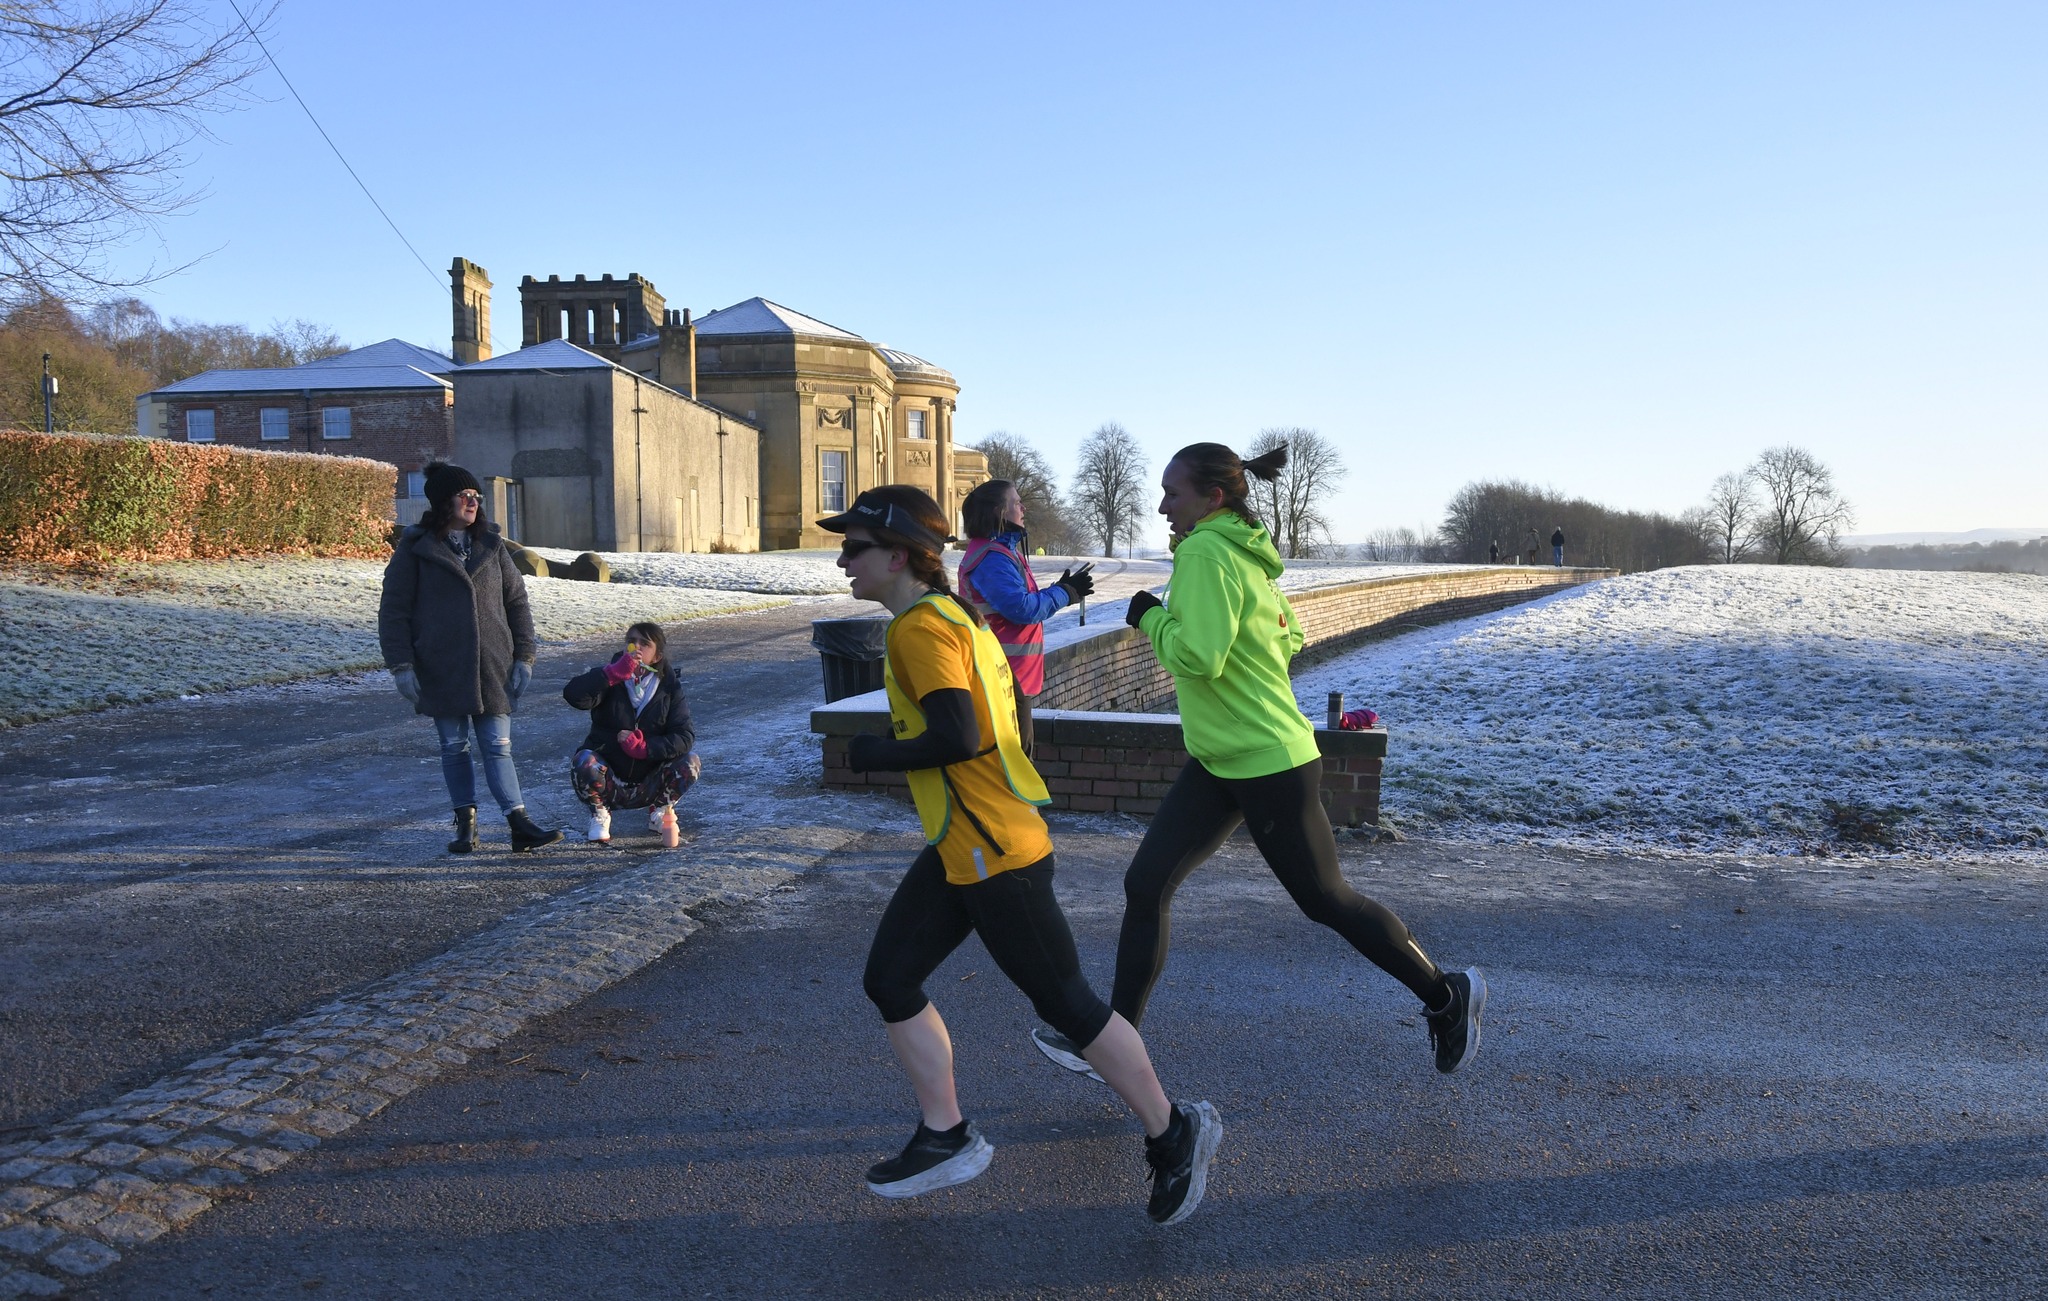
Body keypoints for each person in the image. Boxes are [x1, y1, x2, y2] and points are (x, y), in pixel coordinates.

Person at [824, 485, 1221, 1226]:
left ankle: (1173, 1132)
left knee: (1069, 1004)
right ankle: (945, 1134)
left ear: (900, 555)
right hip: (968, 843)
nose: (843, 560)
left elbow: (961, 734)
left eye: (854, 547)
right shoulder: (954, 614)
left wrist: (875, 752)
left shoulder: (922, 628)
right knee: (891, 977)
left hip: (994, 852)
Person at [1028, 442, 1486, 1084]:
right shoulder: (1246, 553)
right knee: (1146, 885)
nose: (1162, 506)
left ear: (1212, 497)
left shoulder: (1204, 553)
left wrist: (1151, 618)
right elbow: (1289, 633)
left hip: (1266, 761)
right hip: (1223, 757)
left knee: (1326, 900)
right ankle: (1114, 1047)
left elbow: (1199, 657)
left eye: (1172, 493)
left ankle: (1445, 994)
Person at [378, 462, 562, 854]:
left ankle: (519, 824)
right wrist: (401, 665)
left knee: (498, 745)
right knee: (453, 746)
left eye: (476, 495)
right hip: (441, 666)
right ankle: (466, 826)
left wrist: (525, 655)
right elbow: (393, 611)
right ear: (444, 502)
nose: (474, 502)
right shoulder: (415, 548)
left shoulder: (492, 546)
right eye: (465, 495)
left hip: (493, 665)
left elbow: (517, 602)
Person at [956, 479, 1093, 756]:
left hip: (1009, 678)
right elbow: (1020, 608)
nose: (1023, 508)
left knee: (1016, 761)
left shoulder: (1001, 552)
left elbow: (1017, 601)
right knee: (1014, 764)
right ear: (999, 511)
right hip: (1003, 678)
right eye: (1017, 503)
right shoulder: (992, 558)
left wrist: (1059, 589)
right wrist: (1064, 593)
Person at [562, 621, 701, 847]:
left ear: (656, 657)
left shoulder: (669, 688)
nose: (635, 647)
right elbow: (573, 696)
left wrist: (646, 748)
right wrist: (610, 675)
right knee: (583, 761)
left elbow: (684, 737)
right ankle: (600, 813)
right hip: (610, 778)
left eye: (644, 643)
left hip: (650, 780)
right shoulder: (610, 677)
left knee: (691, 762)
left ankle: (661, 811)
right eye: (631, 641)